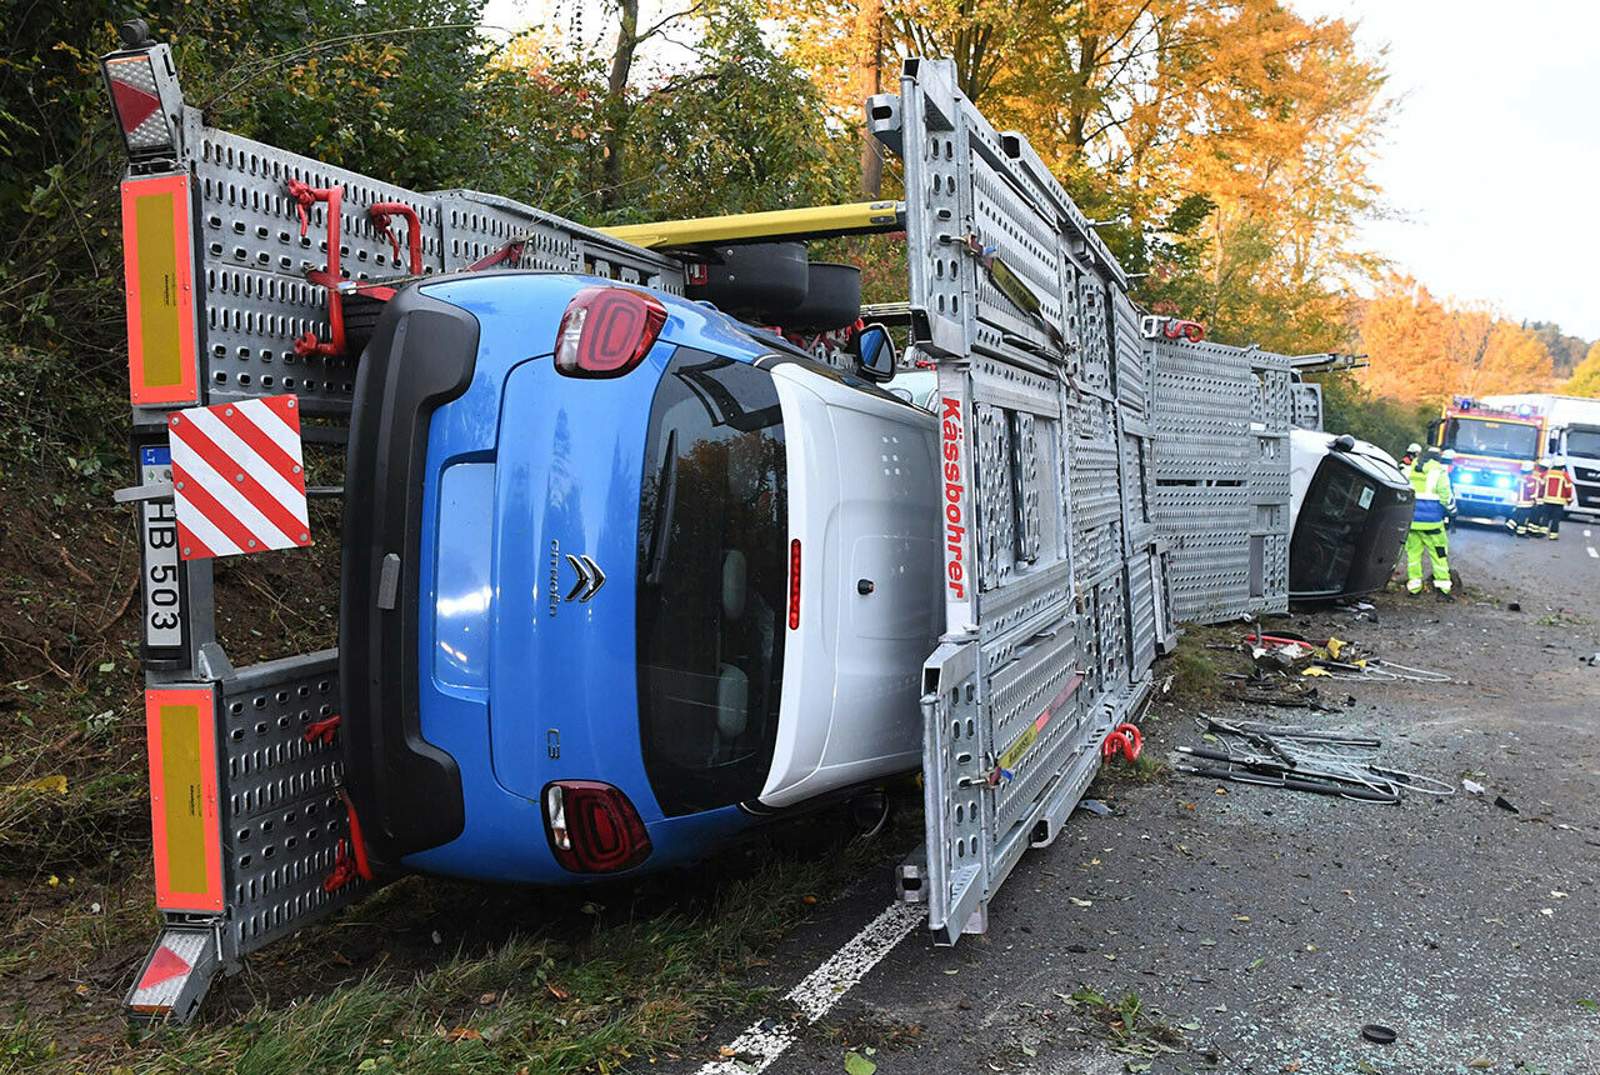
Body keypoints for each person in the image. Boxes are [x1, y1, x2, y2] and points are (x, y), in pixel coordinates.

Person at [1405, 446, 1455, 599]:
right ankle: (1442, 591)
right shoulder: (1439, 472)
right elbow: (1446, 496)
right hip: (1432, 523)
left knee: (1413, 556)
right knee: (1439, 555)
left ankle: (1414, 590)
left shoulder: (1410, 469)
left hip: (1412, 521)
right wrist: (1453, 512)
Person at [1535, 460, 1575, 540]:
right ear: (1563, 466)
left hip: (1547, 500)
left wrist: (1539, 496)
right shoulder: (1565, 475)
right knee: (1556, 518)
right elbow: (1568, 488)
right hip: (1559, 502)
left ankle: (1542, 532)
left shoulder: (1547, 473)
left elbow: (1541, 485)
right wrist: (1569, 499)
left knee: (1545, 516)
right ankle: (1553, 535)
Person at [1507, 461, 1539, 537]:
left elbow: (1515, 488)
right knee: (1524, 518)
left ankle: (1509, 525)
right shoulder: (1530, 479)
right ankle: (1521, 533)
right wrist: (1534, 499)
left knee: (1517, 514)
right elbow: (1531, 490)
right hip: (1527, 502)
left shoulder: (1520, 478)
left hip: (1519, 501)